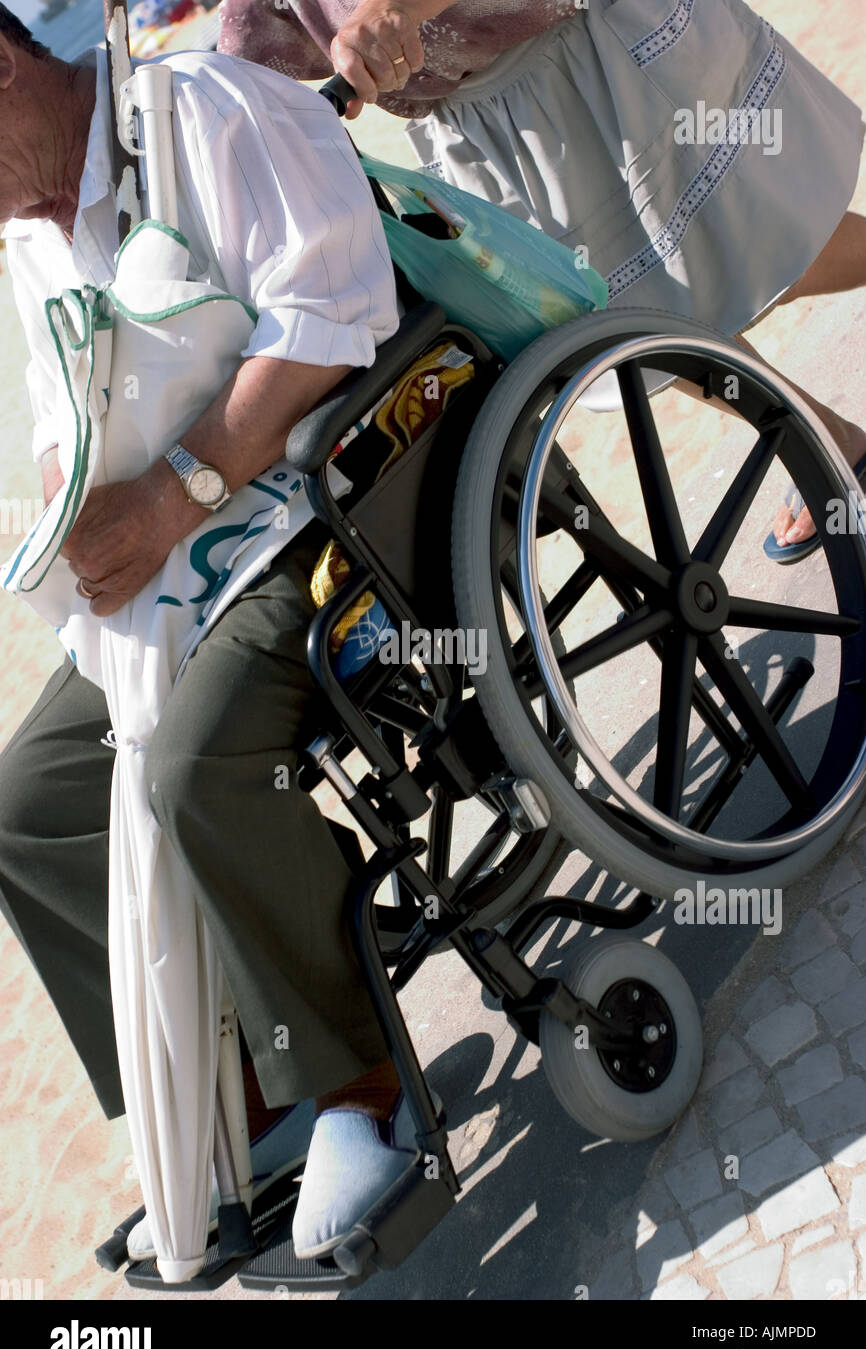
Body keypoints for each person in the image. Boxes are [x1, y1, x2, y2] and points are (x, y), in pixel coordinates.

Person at [0, 4, 426, 1264]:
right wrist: (70, 500)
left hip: (319, 507)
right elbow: (56, 417)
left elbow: (329, 310)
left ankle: (350, 1081)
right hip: (178, 561)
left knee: (191, 765)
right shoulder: (35, 238)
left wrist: (176, 486)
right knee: (26, 800)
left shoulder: (200, 109)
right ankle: (224, 1100)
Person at [218, 0, 866, 562]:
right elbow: (237, 71)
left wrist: (396, 11)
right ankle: (830, 445)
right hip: (479, 127)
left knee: (752, 243)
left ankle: (826, 446)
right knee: (628, 321)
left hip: (591, 47)